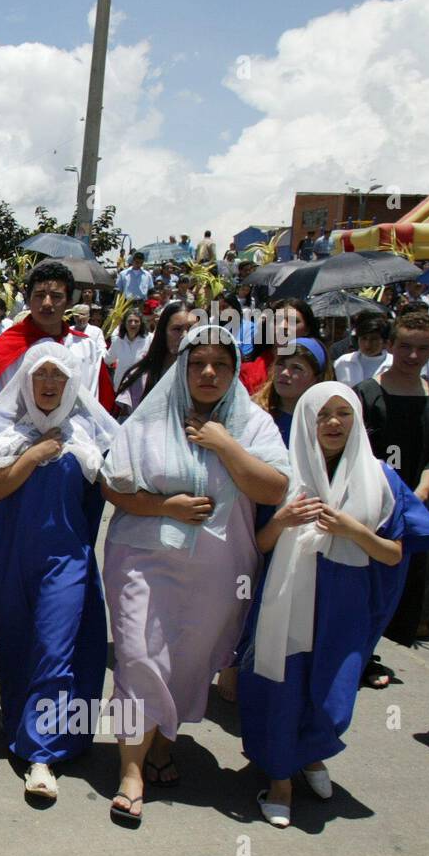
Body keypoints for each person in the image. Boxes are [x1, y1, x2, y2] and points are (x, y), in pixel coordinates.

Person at [100, 325, 290, 826]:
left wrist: (223, 444)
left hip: (219, 570)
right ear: (181, 368)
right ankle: (131, 769)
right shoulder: (151, 419)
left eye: (221, 365)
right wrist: (166, 507)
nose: (208, 373)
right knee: (139, 657)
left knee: (188, 661)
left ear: (234, 372)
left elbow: (273, 489)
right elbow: (113, 486)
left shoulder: (253, 425)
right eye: (197, 363)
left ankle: (162, 741)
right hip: (142, 557)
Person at [239, 383, 429, 827]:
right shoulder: (282, 476)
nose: (333, 423)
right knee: (282, 688)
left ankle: (311, 754)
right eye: (322, 415)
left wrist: (354, 531)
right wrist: (284, 521)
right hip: (287, 600)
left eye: (342, 413)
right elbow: (253, 546)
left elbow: (395, 553)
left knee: (333, 694)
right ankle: (279, 779)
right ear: (306, 421)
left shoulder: (381, 480)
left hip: (347, 604)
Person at [0, 341, 117, 800]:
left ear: (72, 383)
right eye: (41, 375)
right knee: (16, 649)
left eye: (58, 376)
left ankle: (41, 755)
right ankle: (19, 724)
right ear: (27, 381)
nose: (50, 384)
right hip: (7, 558)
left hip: (66, 560)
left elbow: (117, 490)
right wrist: (32, 456)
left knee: (57, 650)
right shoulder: (4, 432)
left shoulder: (87, 436)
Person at [214, 337, 332, 703]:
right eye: (282, 364)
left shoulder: (326, 421)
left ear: (316, 377)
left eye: (298, 368)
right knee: (242, 594)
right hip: (253, 513)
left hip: (299, 521)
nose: (285, 373)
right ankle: (230, 664)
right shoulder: (254, 416)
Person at [354, 311, 429, 645]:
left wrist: (419, 493)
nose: (412, 356)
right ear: (390, 345)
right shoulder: (365, 395)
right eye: (405, 346)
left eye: (423, 349)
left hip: (413, 505)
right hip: (370, 501)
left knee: (405, 580)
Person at [0, 260, 116, 438]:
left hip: (75, 448)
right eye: (39, 295)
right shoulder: (8, 345)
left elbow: (92, 406)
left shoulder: (85, 347)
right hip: (17, 449)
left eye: (56, 296)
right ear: (28, 300)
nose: (46, 303)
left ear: (69, 301)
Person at [114, 301, 198, 418]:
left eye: (192, 328)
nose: (185, 335)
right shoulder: (139, 379)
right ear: (164, 332)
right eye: (177, 329)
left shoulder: (207, 378)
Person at [334, 311, 390, 386]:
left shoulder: (393, 365)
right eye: (364, 338)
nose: (367, 344)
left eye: (374, 339)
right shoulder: (343, 362)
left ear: (384, 342)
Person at [106, 308, 150, 392]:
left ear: (141, 324)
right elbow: (107, 360)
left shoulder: (149, 339)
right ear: (124, 324)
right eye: (130, 321)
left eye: (136, 321)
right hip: (121, 388)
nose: (133, 324)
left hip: (141, 388)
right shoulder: (118, 341)